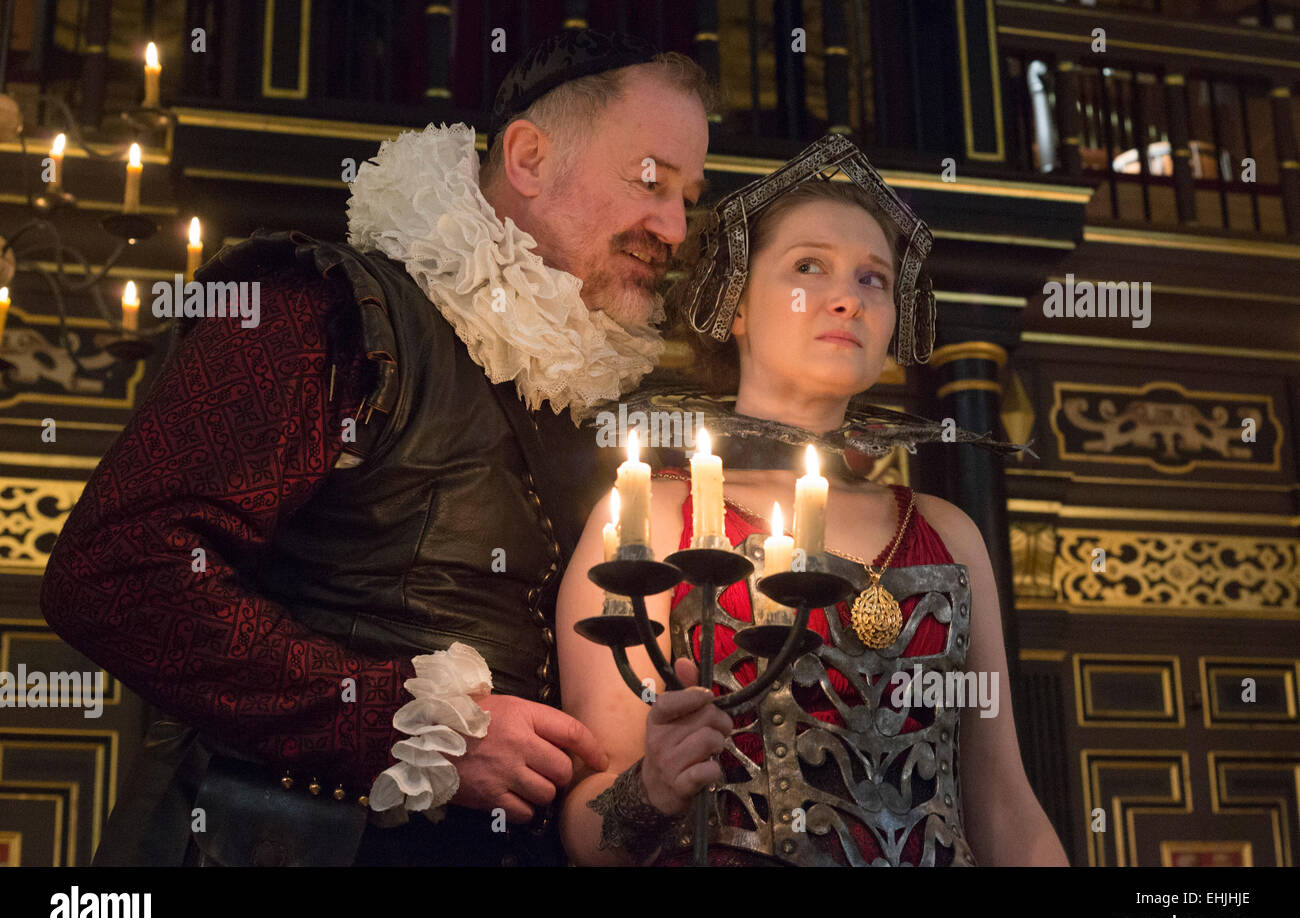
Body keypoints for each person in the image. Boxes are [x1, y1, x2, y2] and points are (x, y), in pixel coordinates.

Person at [39, 30, 712, 866]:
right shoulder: (320, 309)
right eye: (651, 179)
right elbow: (117, 572)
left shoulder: (586, 400)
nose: (675, 226)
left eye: (690, 195)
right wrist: (407, 725)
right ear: (530, 158)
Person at [556, 134, 1070, 866]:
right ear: (734, 304)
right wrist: (652, 785)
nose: (846, 298)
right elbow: (585, 828)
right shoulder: (653, 519)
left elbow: (1005, 808)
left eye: (874, 279)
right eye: (809, 267)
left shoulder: (946, 533)